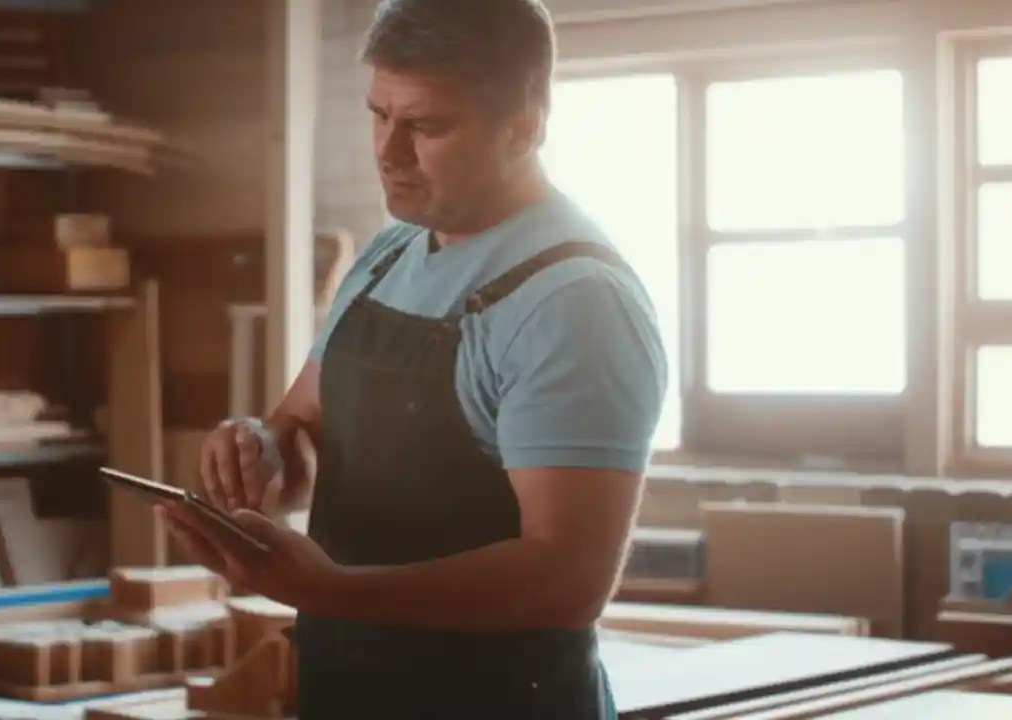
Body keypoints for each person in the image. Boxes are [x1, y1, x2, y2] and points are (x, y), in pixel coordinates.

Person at [159, 0, 667, 716]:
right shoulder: (389, 252)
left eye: (425, 126)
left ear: (524, 127)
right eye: (378, 115)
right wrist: (260, 448)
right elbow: (304, 427)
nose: (388, 152)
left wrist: (326, 590)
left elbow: (567, 578)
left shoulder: (574, 303)